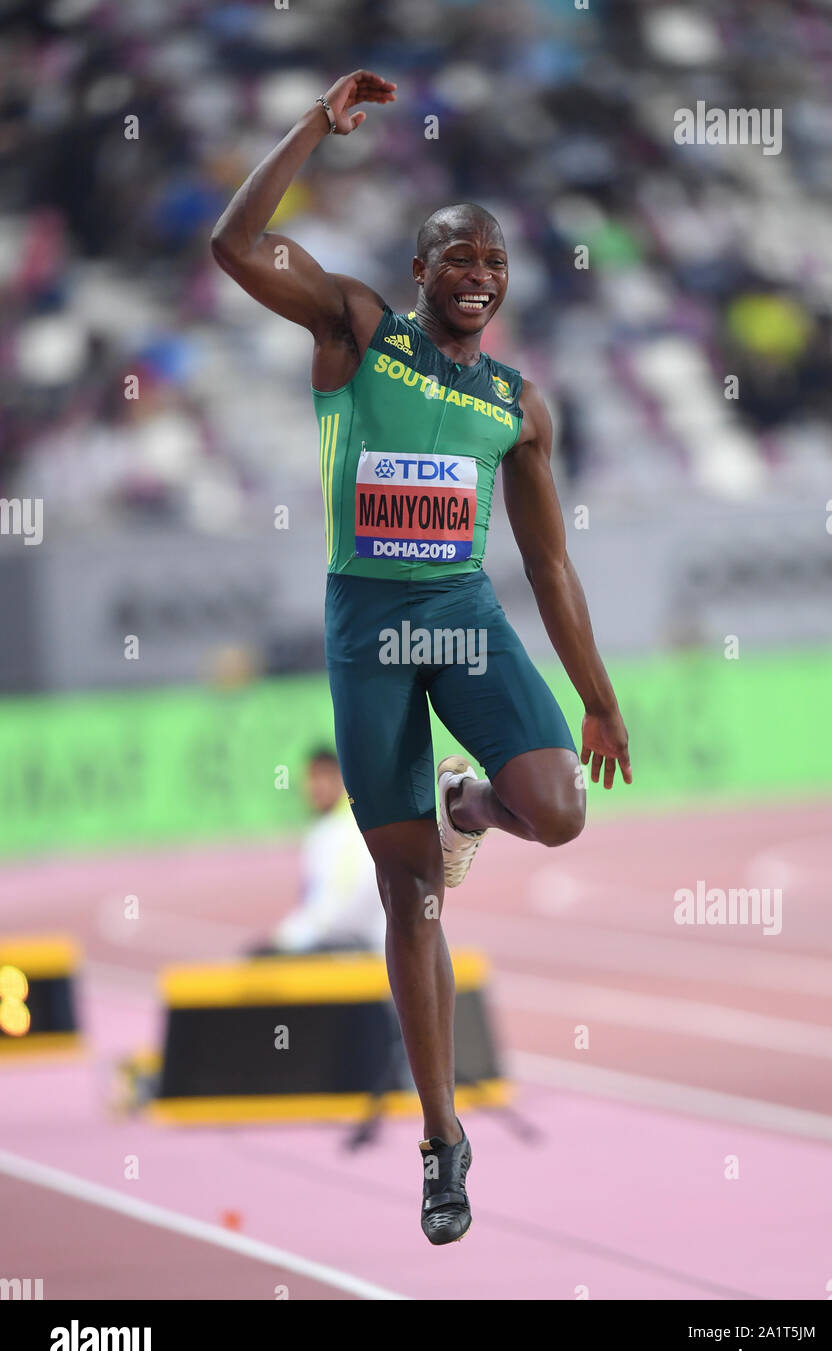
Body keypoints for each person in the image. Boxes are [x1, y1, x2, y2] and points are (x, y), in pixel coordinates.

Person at [211, 70, 632, 1246]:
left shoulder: (517, 404)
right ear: (419, 273)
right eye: (458, 257)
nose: (478, 276)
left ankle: (470, 798)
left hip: (459, 613)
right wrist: (312, 126)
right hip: (366, 629)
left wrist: (596, 701)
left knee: (555, 809)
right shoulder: (353, 328)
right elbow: (233, 241)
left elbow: (547, 571)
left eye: (493, 263)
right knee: (410, 898)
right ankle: (444, 1144)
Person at [269, 747, 386, 955]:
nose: (316, 787)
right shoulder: (326, 827)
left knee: (265, 962)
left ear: (340, 780)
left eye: (323, 777)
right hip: (336, 940)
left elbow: (338, 907)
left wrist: (289, 937)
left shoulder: (350, 831)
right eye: (312, 778)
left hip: (356, 947)